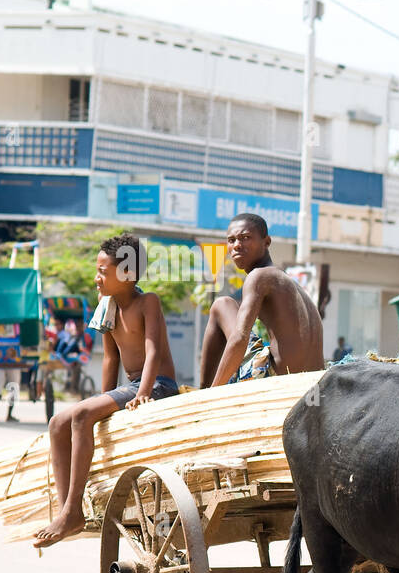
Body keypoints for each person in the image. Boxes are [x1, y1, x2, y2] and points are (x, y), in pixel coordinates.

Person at [32, 234, 179, 549]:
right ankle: (68, 510)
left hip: (158, 385)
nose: (96, 278)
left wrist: (143, 395)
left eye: (102, 271)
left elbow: (153, 351)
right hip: (130, 386)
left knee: (82, 415)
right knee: (58, 422)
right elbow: (111, 358)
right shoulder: (106, 306)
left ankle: (72, 511)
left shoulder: (147, 302)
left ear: (126, 274)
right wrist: (102, 402)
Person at [199, 213, 324, 387]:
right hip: (314, 381)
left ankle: (202, 390)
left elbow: (239, 338)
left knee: (221, 305)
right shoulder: (290, 283)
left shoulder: (258, 276)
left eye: (245, 238)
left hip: (277, 378)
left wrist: (212, 393)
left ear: (266, 242)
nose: (236, 246)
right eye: (231, 240)